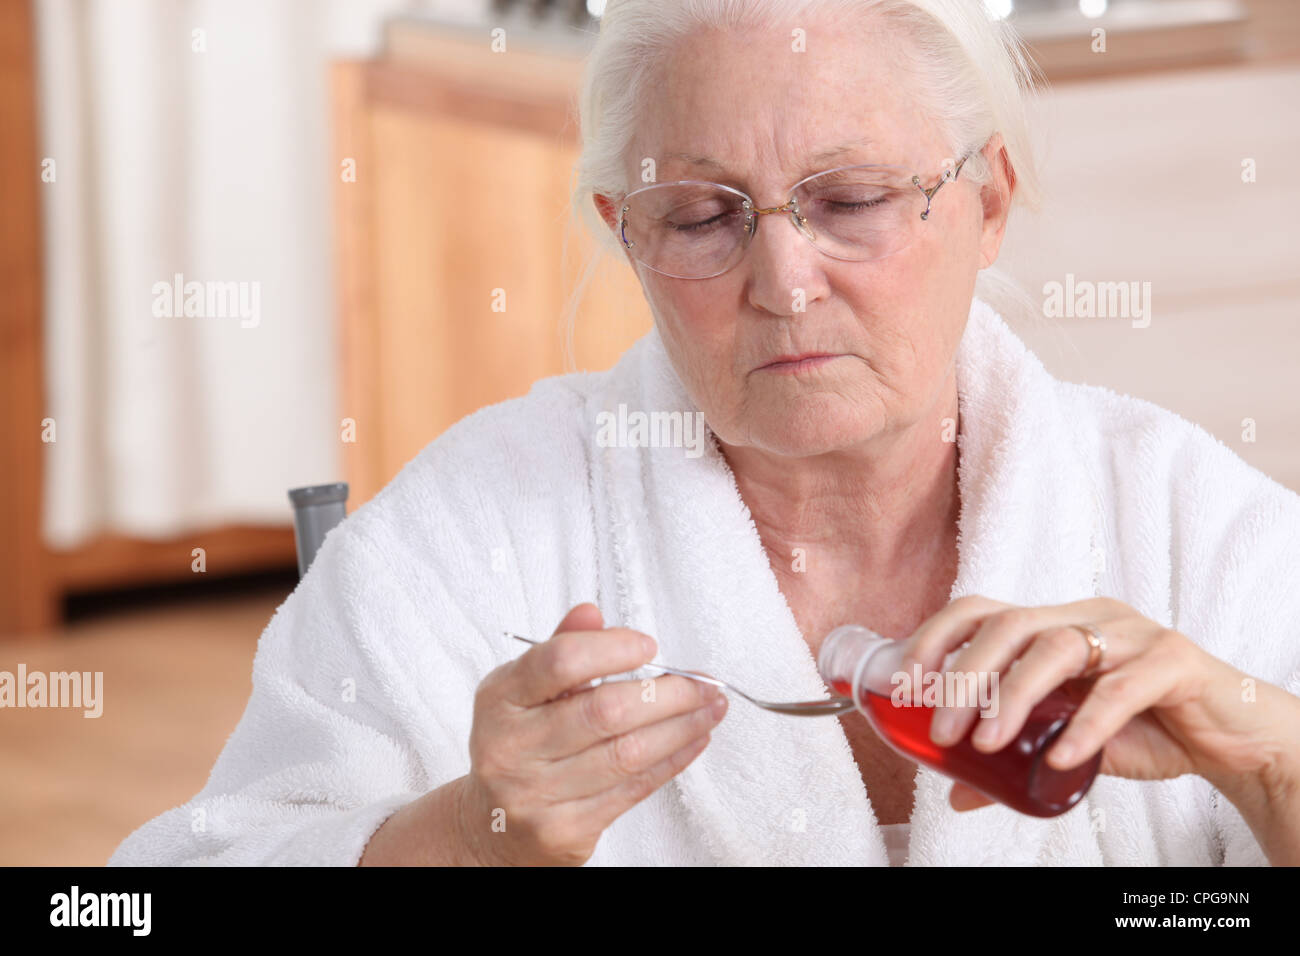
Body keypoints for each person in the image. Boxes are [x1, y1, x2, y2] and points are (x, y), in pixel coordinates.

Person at [108, 0, 1300, 867]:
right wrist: (465, 839)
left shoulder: (1188, 525)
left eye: (849, 201)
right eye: (699, 217)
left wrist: (1267, 759)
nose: (784, 282)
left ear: (987, 201)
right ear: (623, 231)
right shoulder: (469, 538)